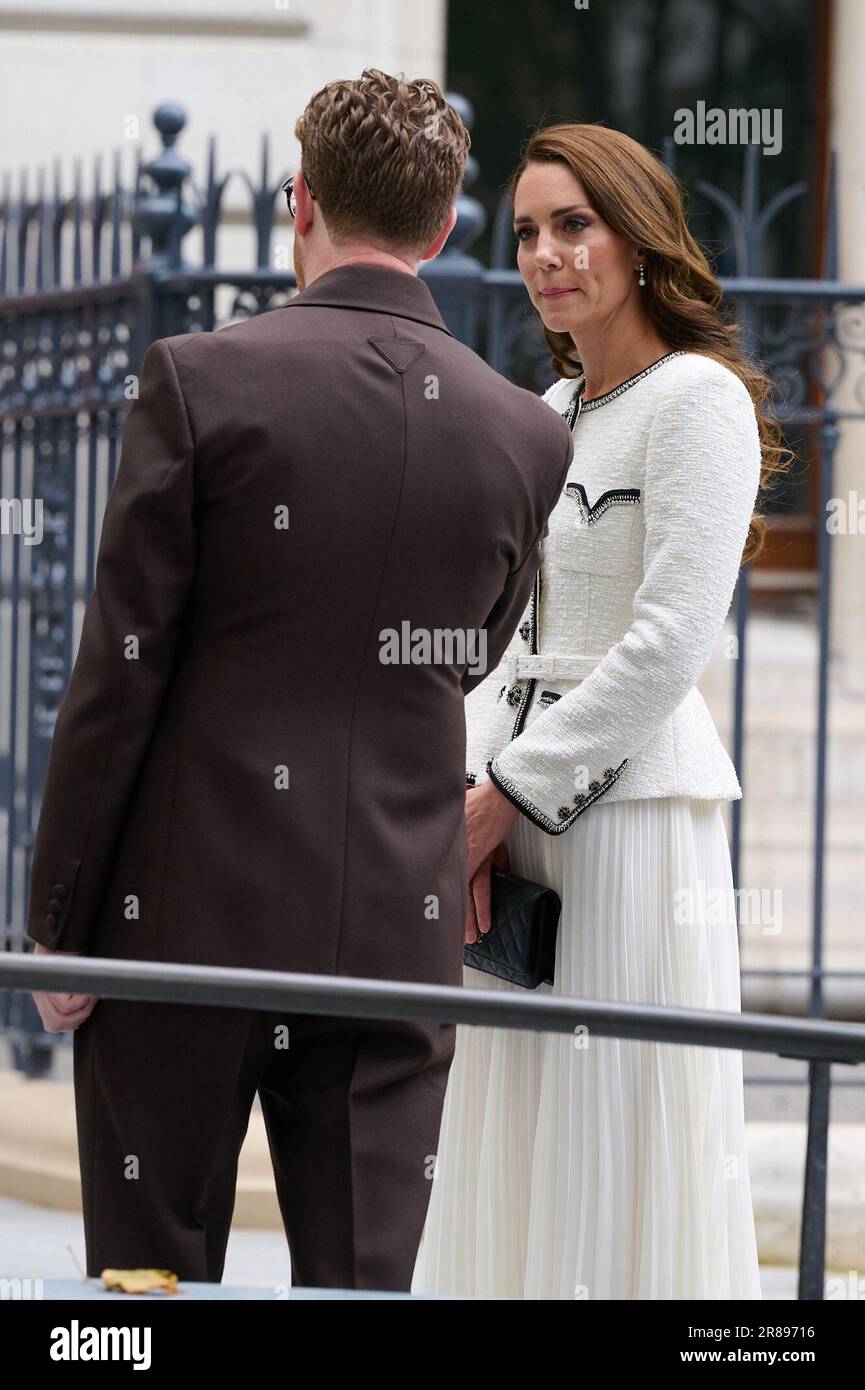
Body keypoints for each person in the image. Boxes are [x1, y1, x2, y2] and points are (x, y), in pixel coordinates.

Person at [25, 69, 575, 1292]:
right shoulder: (527, 433)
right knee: (362, 1289)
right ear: (443, 233)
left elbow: (119, 677)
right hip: (393, 927)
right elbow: (477, 647)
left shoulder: (196, 380)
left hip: (178, 933)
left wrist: (58, 926)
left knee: (141, 1301)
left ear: (301, 203)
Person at [413, 122, 791, 1300]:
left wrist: (509, 794)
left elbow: (672, 641)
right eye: (526, 230)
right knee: (515, 1127)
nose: (543, 254)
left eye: (572, 224)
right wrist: (470, 797)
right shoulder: (551, 407)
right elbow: (508, 637)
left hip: (628, 825)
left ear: (637, 236)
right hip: (514, 814)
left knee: (612, 1124)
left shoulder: (697, 401)